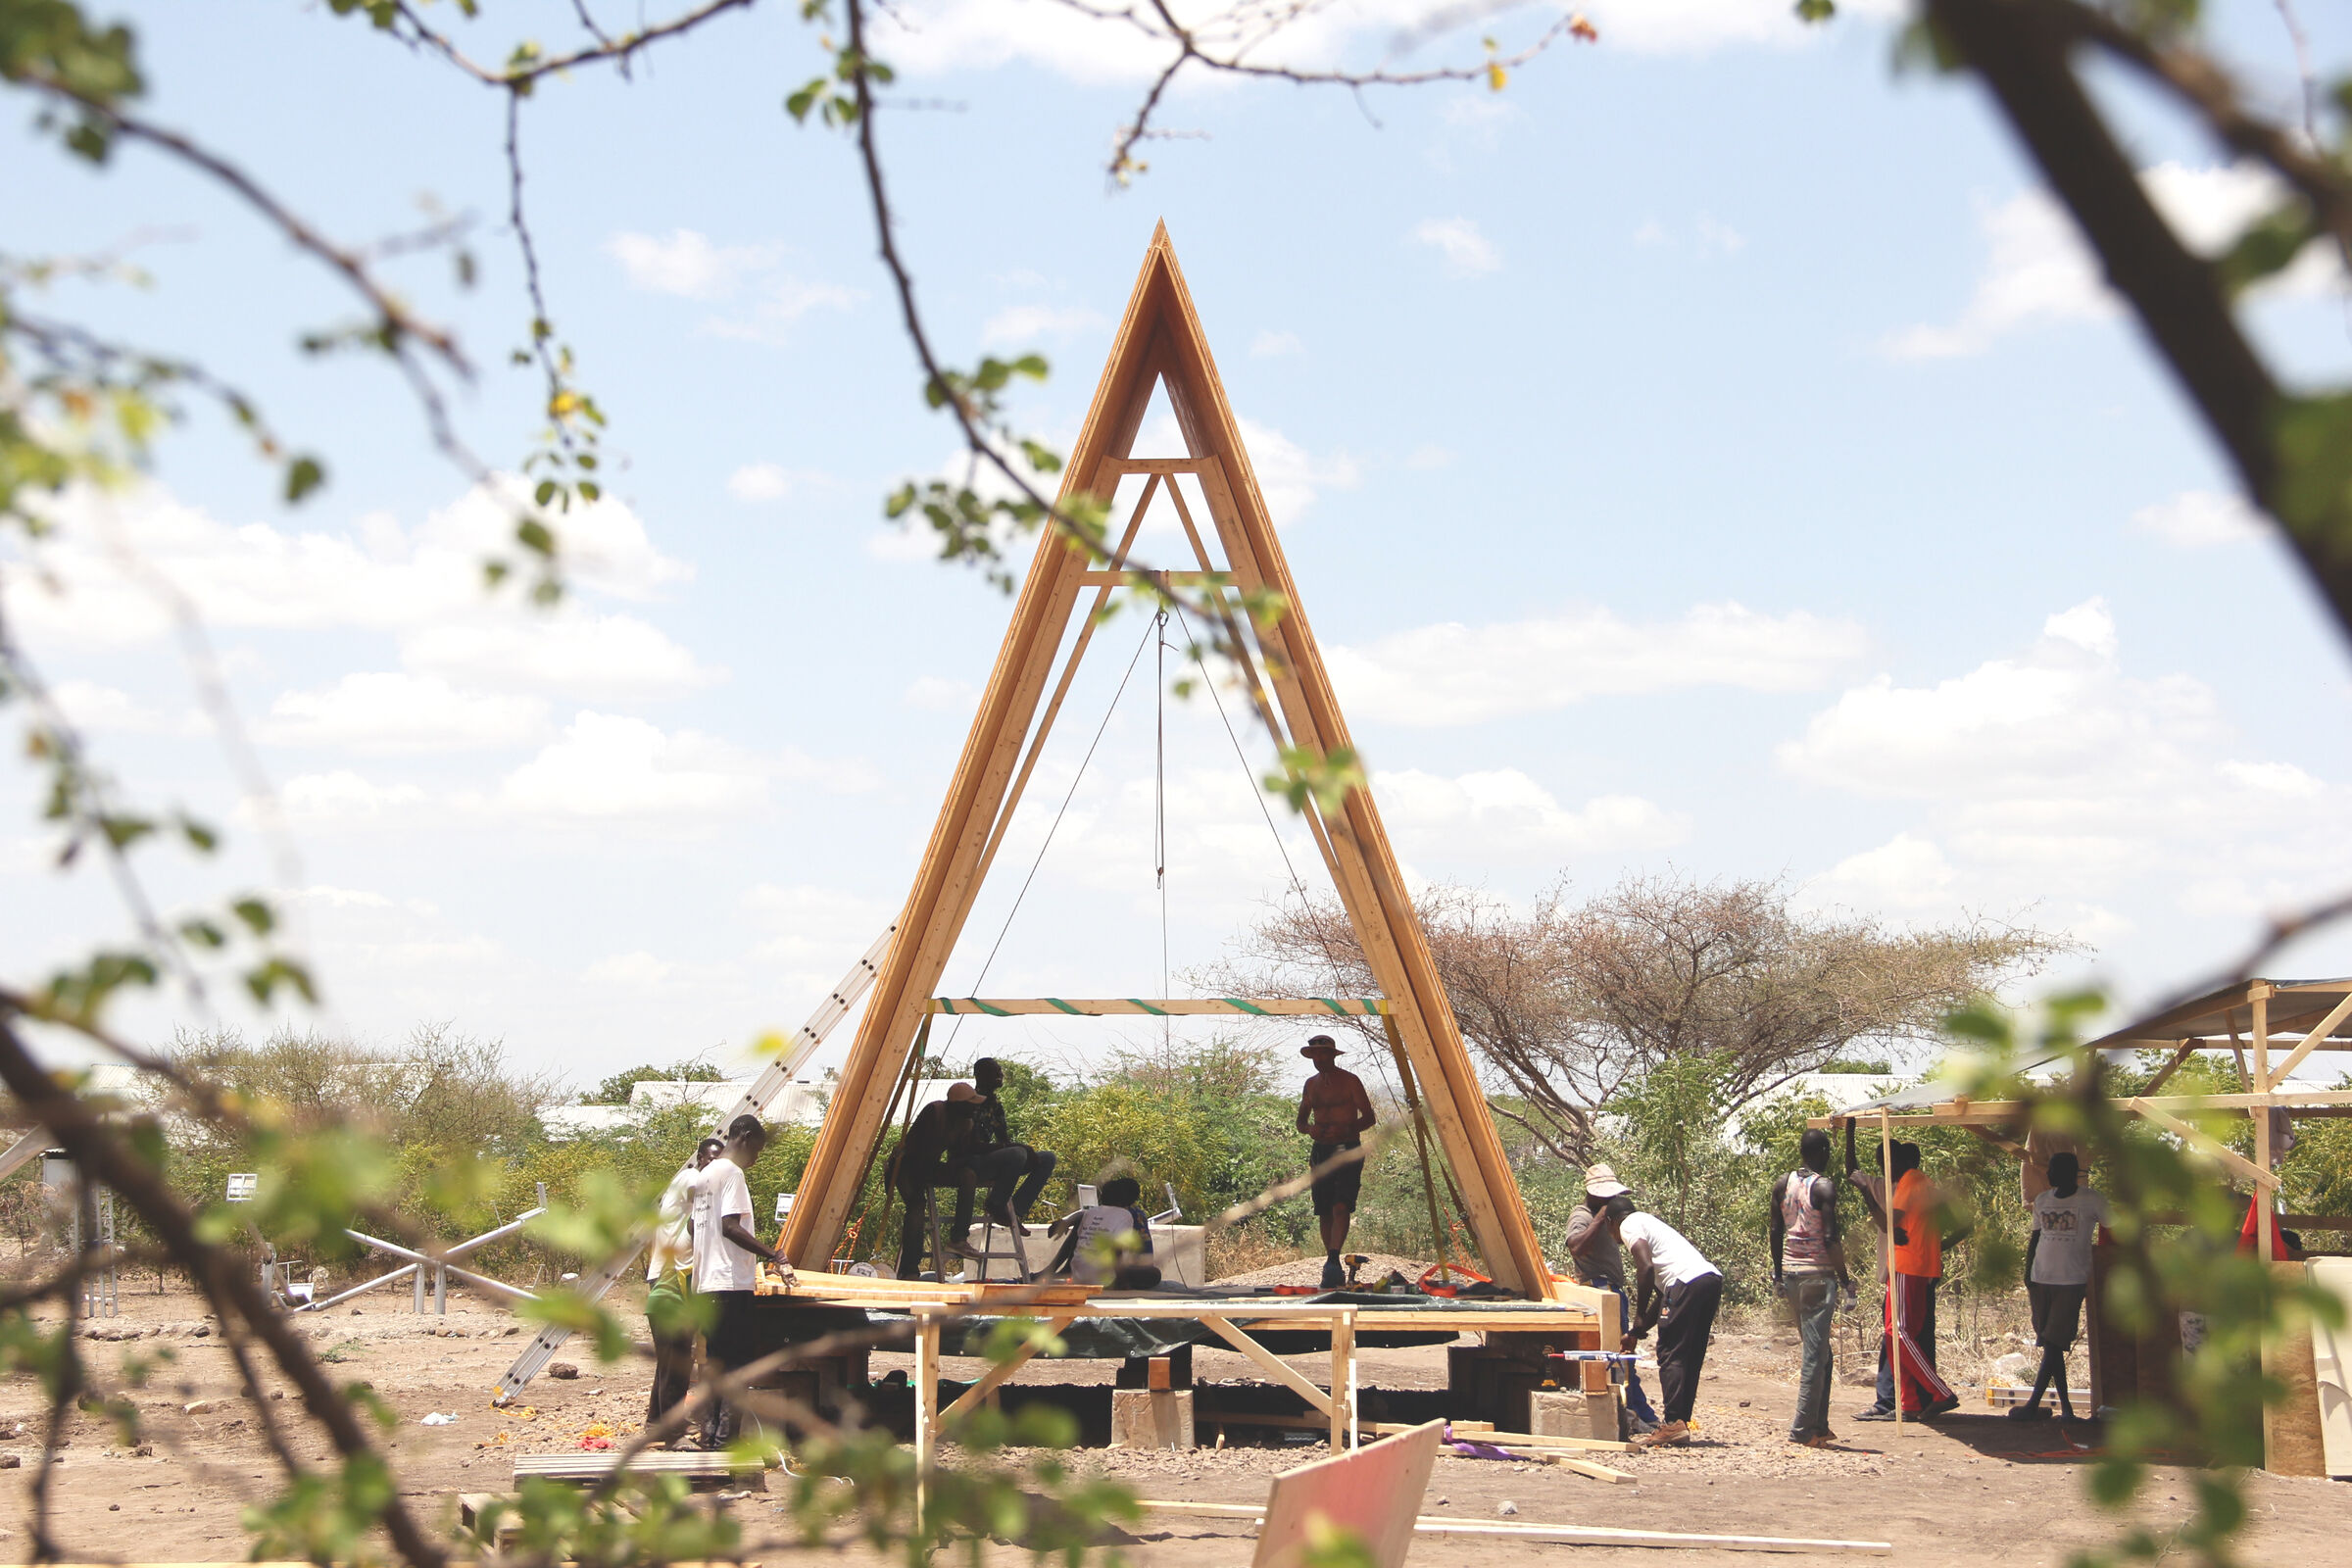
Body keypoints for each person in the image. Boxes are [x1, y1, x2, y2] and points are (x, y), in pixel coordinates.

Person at [685, 1114, 788, 1448]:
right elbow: (730, 1226)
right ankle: (727, 1443)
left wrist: (707, 1246)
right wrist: (773, 1254)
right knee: (738, 1365)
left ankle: (710, 1436)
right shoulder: (732, 1173)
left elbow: (691, 1227)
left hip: (704, 1284)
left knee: (715, 1362)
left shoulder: (705, 1174)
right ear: (743, 1137)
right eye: (756, 1149)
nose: (755, 1157)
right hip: (730, 1284)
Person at [1846, 1125, 1959, 1421]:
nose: (1886, 1172)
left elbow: (1886, 1224)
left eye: (1886, 1164)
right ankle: (1908, 1403)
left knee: (1899, 1332)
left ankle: (1940, 1392)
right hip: (1917, 1266)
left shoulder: (1910, 1183)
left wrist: (1865, 1193)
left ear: (1896, 1161)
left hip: (1908, 1267)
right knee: (1899, 1334)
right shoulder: (1922, 1184)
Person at [1605, 1194, 1723, 1448]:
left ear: (1610, 1222)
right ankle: (1680, 1423)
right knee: (1689, 1353)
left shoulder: (1629, 1224)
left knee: (1670, 1351)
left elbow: (1645, 1268)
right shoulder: (1652, 1225)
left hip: (1686, 1283)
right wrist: (1637, 1331)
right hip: (1708, 1280)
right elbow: (1664, 1297)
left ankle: (1671, 1424)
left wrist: (1636, 1314)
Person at [1562, 1162, 1660, 1437]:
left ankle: (1639, 1413)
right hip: (1599, 1290)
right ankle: (1635, 1415)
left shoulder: (1607, 1217)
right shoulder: (1582, 1215)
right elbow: (1576, 1247)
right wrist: (1599, 1219)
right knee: (1617, 1359)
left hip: (1612, 1290)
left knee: (1621, 1357)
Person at [2012, 1152, 2109, 1422]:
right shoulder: (2043, 1200)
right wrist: (2027, 1273)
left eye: (2053, 1169)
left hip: (2071, 1280)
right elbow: (2035, 1238)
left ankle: (2038, 1405)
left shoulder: (2092, 1199)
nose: (2049, 1174)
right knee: (2050, 1344)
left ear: (2069, 1172)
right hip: (2041, 1278)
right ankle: (2063, 1409)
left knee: (2053, 1343)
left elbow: (2113, 1228)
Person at [1770, 1128, 1852, 1447]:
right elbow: (1831, 1238)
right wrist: (1845, 1279)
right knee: (1814, 1357)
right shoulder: (1824, 1187)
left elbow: (1776, 1231)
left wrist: (1777, 1274)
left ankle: (1819, 1424)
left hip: (1791, 1275)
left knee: (1822, 1354)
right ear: (1824, 1152)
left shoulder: (1782, 1185)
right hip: (1818, 1276)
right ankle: (1803, 1431)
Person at [646, 1136, 723, 1437]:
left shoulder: (696, 1199)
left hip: (676, 1277)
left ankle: (656, 1423)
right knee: (677, 1362)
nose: (714, 1167)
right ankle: (671, 1433)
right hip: (670, 1279)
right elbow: (705, 1190)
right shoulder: (690, 1177)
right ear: (699, 1159)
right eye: (710, 1160)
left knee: (669, 1360)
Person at [952, 1057, 1059, 1250]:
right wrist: (1017, 1149)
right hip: (970, 1163)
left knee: (1047, 1158)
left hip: (990, 1162)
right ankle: (996, 1204)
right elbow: (971, 1146)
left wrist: (1022, 1150)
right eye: (995, 1072)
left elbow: (1003, 1139)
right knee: (1017, 1154)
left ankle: (1015, 1211)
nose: (1000, 1075)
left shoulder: (995, 1105)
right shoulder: (968, 1103)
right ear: (980, 1075)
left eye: (999, 1071)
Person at [1295, 1034, 1376, 1290]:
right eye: (1315, 1055)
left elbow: (1369, 1117)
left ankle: (1332, 1258)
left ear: (1332, 1055)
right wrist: (1311, 1130)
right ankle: (1332, 1264)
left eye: (1324, 1054)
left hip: (1347, 1148)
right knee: (1324, 1208)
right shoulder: (1311, 1085)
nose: (1319, 1059)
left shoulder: (1350, 1081)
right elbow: (1301, 1123)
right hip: (1321, 1151)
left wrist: (1346, 1129)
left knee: (1342, 1205)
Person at [889, 1083, 980, 1280]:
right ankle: (909, 1269)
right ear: (957, 1105)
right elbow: (916, 1149)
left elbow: (959, 1155)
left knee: (968, 1176)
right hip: (908, 1166)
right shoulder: (935, 1111)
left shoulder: (966, 1123)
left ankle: (959, 1237)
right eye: (970, 1104)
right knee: (916, 1207)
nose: (974, 1109)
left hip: (930, 1166)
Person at [1043, 1175, 1160, 1288]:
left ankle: (1063, 1270)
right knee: (1155, 1274)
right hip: (1111, 1272)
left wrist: (1066, 1221)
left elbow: (1082, 1217)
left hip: (1080, 1273)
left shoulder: (1094, 1212)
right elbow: (1117, 1249)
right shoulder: (1127, 1214)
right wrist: (1122, 1281)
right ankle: (1062, 1270)